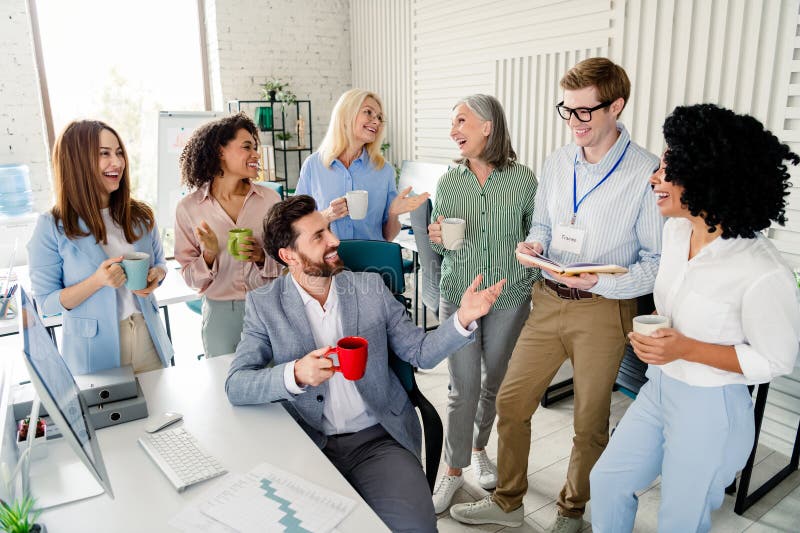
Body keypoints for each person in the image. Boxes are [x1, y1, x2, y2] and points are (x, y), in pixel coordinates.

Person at [450, 57, 662, 532]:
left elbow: (655, 262)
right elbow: (544, 225)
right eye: (566, 110)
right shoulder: (558, 160)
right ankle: (508, 503)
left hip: (603, 310)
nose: (574, 122)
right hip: (546, 299)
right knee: (511, 401)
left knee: (588, 423)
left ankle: (572, 512)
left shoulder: (644, 172)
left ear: (616, 107)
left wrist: (601, 283)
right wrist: (536, 244)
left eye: (585, 112)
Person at [225, 194, 505, 532]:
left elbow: (420, 351)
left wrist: (462, 318)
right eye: (319, 236)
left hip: (378, 440)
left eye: (328, 229)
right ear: (288, 256)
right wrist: (294, 373)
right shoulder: (265, 305)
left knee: (418, 529)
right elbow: (236, 384)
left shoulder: (370, 288)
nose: (335, 240)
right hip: (310, 445)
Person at [589, 104, 800, 532]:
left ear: (706, 174)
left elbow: (776, 361)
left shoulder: (761, 269)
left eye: (668, 167)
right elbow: (677, 305)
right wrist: (654, 327)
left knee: (679, 522)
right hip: (660, 389)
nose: (654, 176)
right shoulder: (676, 232)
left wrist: (684, 347)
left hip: (712, 407)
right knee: (607, 480)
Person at [426, 94, 539, 513]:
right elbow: (440, 238)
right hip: (461, 296)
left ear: (487, 126)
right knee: (463, 387)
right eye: (453, 123)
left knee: (494, 384)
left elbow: (535, 236)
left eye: (461, 121)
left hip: (509, 296)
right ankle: (453, 474)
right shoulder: (449, 181)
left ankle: (479, 448)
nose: (453, 131)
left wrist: (529, 270)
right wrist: (436, 237)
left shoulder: (524, 179)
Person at [28, 120, 173, 375]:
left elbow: (160, 264)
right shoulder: (52, 226)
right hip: (95, 352)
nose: (116, 162)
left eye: (118, 153)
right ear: (77, 161)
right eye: (104, 154)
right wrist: (97, 281)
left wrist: (156, 276)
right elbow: (46, 304)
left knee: (163, 412)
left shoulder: (140, 215)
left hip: (148, 338)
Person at [174, 113, 281, 357]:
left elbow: (286, 261)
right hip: (220, 314)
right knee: (224, 388)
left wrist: (261, 257)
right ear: (220, 151)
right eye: (247, 147)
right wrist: (209, 255)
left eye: (255, 147)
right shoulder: (189, 208)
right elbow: (191, 279)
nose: (256, 154)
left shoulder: (270, 201)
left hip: (267, 308)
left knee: (273, 386)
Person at [296, 88, 428, 241]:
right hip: (327, 261)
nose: (377, 121)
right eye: (368, 112)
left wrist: (393, 214)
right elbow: (297, 224)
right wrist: (326, 215)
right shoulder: (313, 165)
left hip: (371, 261)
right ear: (346, 115)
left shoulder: (384, 171)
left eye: (379, 117)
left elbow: (388, 236)